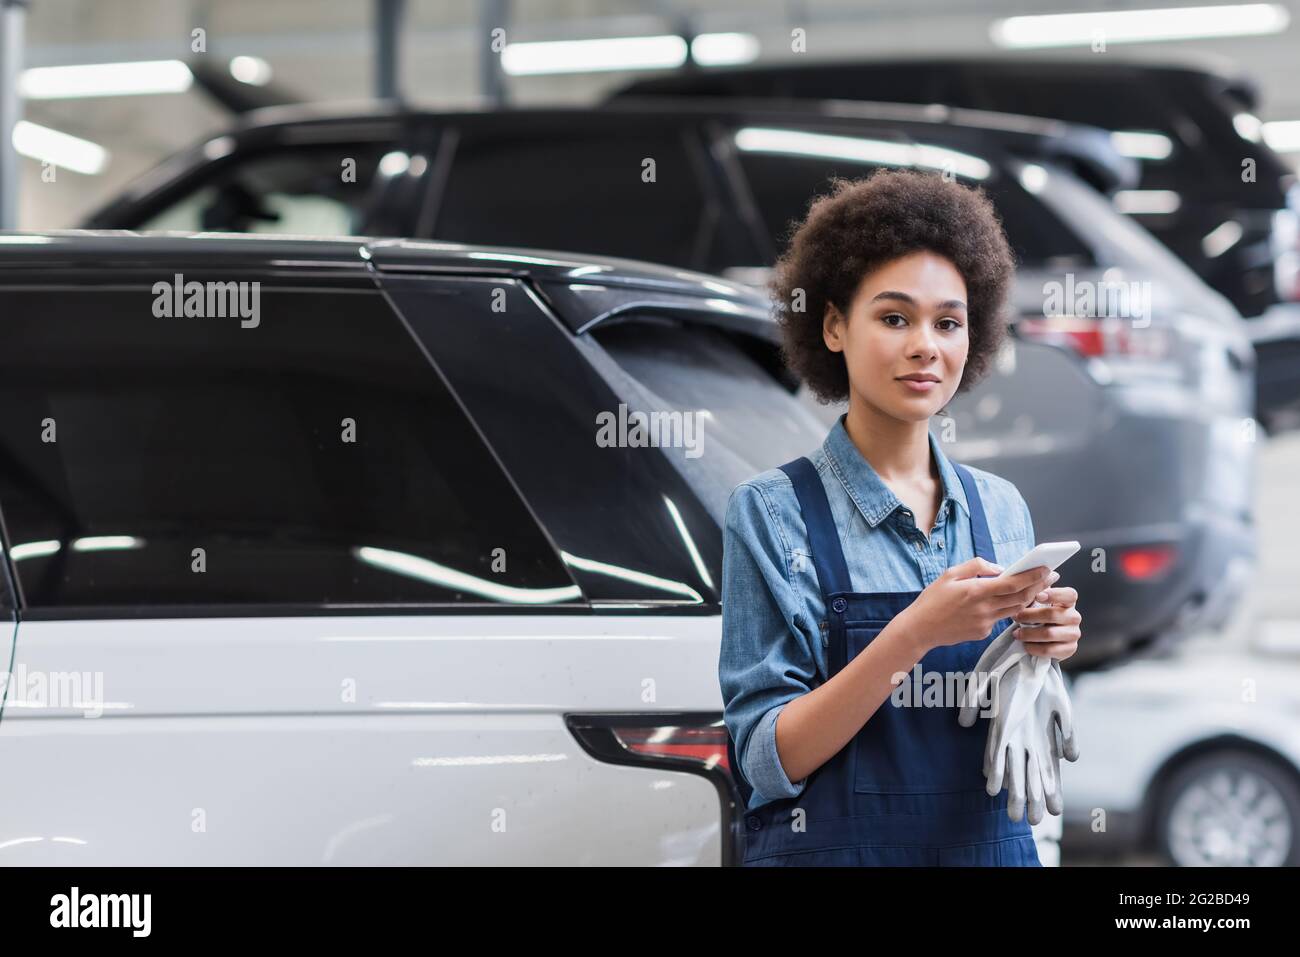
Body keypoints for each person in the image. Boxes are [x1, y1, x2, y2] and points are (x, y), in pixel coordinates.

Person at [719, 168, 1082, 866]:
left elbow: (1016, 722)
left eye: (949, 322)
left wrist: (1043, 645)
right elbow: (767, 760)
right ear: (832, 326)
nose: (927, 346)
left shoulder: (1000, 508)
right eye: (894, 318)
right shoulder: (771, 512)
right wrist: (914, 631)